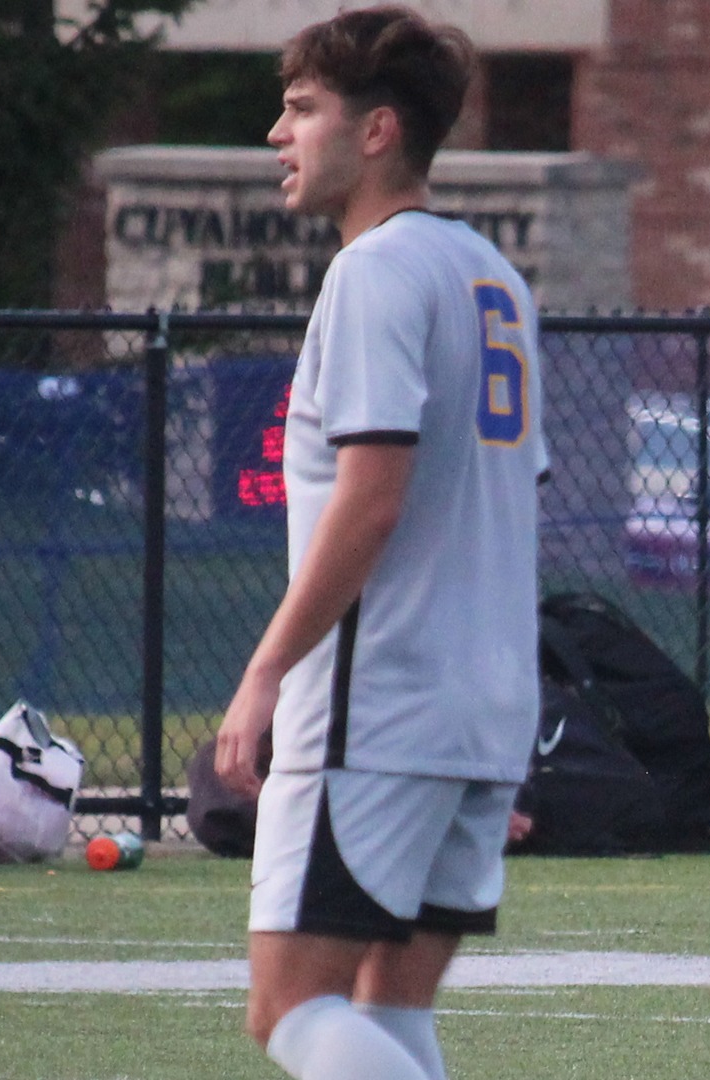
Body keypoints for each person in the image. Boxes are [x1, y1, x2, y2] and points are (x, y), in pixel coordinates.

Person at [211, 7, 548, 1080]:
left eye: (302, 108)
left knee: (288, 1008)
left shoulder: (374, 272)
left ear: (377, 130)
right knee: (387, 1009)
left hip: (380, 709)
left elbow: (371, 502)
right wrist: (482, 734)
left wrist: (265, 672)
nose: (279, 133)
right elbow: (506, 509)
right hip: (482, 709)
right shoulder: (494, 278)